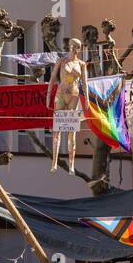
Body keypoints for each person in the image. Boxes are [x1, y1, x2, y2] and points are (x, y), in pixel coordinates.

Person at [46, 36, 89, 174]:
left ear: (78, 49)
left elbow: (84, 83)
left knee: (72, 131)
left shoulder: (82, 64)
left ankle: (71, 164)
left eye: (75, 46)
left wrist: (86, 99)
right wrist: (48, 95)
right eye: (71, 45)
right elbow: (52, 77)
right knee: (56, 129)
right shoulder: (62, 60)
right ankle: (54, 162)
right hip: (60, 94)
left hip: (74, 95)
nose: (72, 48)